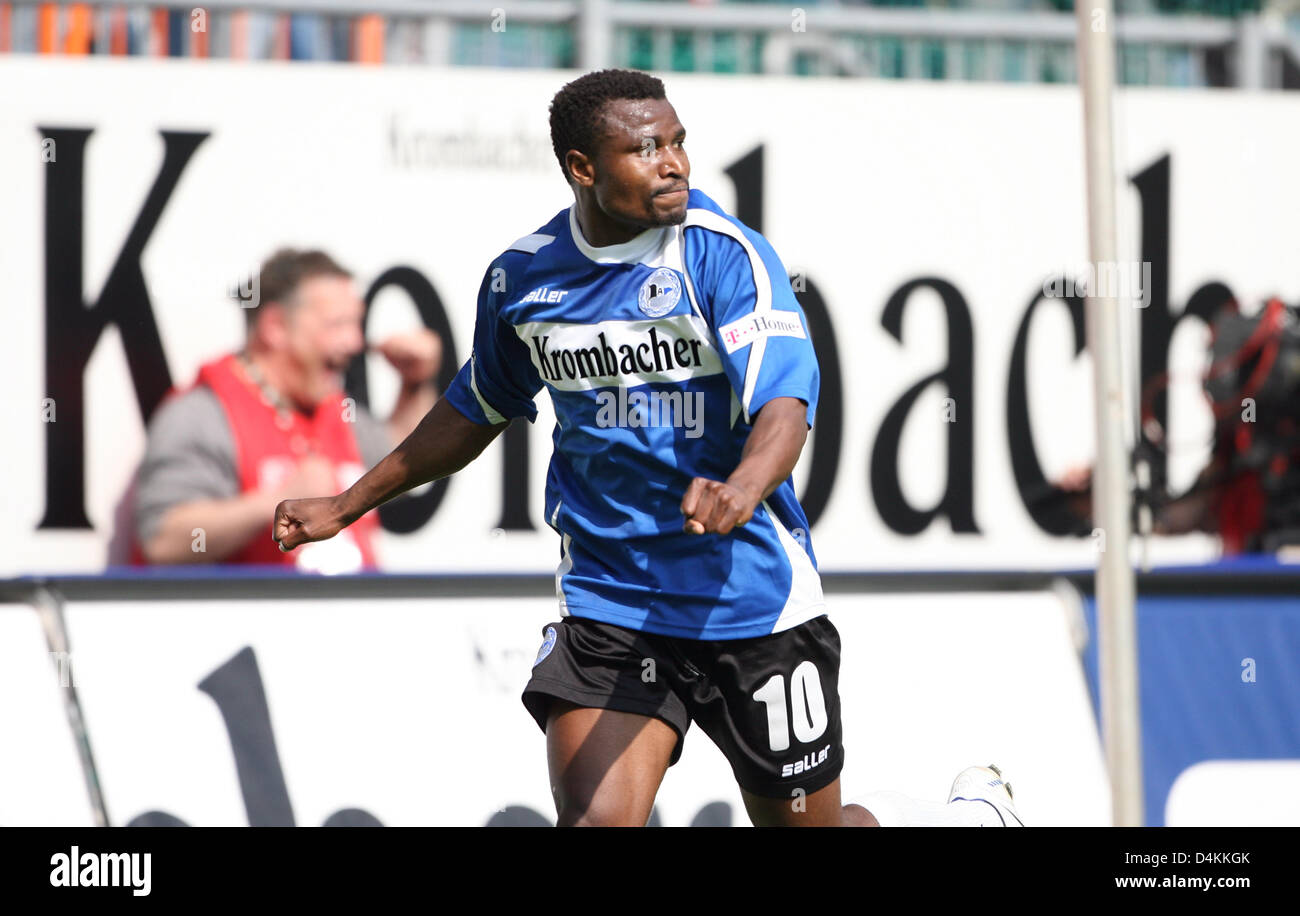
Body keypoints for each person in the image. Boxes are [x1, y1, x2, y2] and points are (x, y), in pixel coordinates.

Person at [272, 69, 1022, 826]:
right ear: (582, 168)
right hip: (612, 595)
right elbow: (478, 408)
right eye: (647, 147)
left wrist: (742, 487)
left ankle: (965, 818)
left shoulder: (725, 257)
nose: (675, 163)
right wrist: (345, 504)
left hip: (749, 602)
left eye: (678, 141)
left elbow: (786, 408)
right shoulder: (523, 280)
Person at [132, 248, 441, 573]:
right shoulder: (202, 414)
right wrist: (277, 502)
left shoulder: (332, 408)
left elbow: (408, 463)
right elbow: (161, 540)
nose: (355, 342)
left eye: (356, 324)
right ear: (275, 326)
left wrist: (414, 384)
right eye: (337, 325)